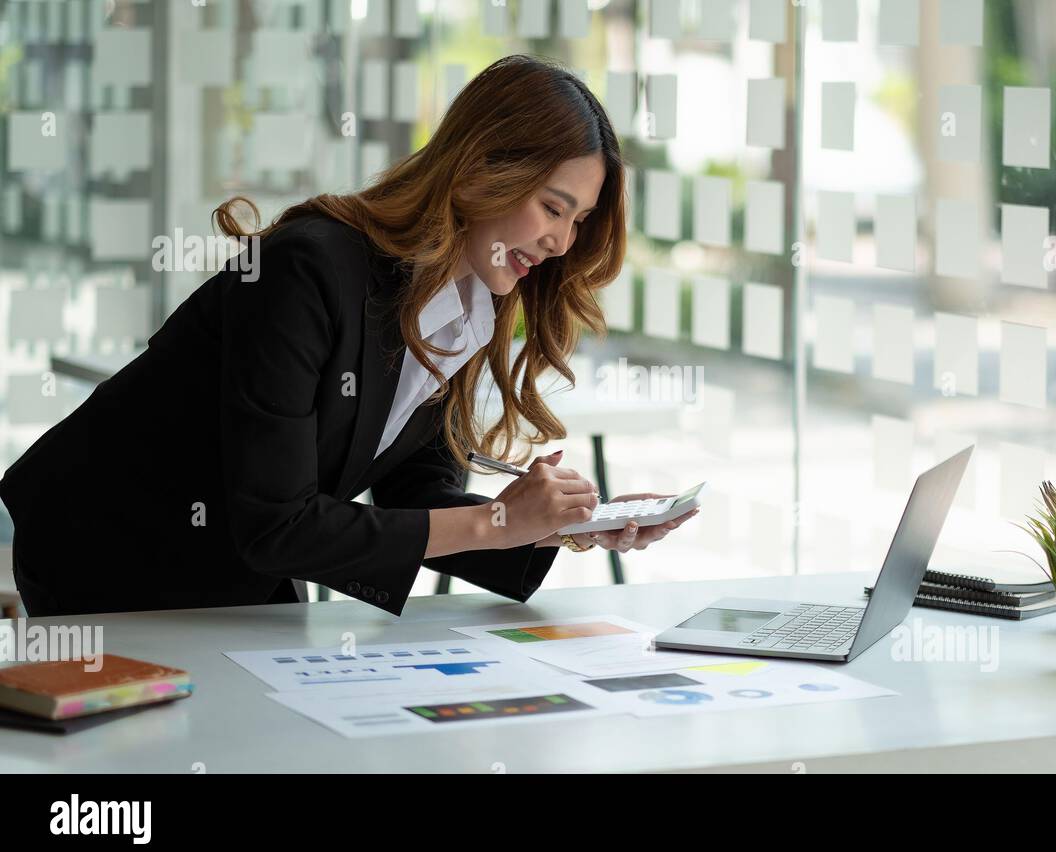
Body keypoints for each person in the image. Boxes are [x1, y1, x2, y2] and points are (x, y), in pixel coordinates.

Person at [0, 54, 696, 617]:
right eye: (554, 208)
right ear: (482, 170)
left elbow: (413, 496)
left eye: (578, 222)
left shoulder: (464, 306)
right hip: (106, 549)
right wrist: (498, 524)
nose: (560, 242)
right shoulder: (306, 269)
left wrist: (569, 522)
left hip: (237, 558)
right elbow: (278, 524)